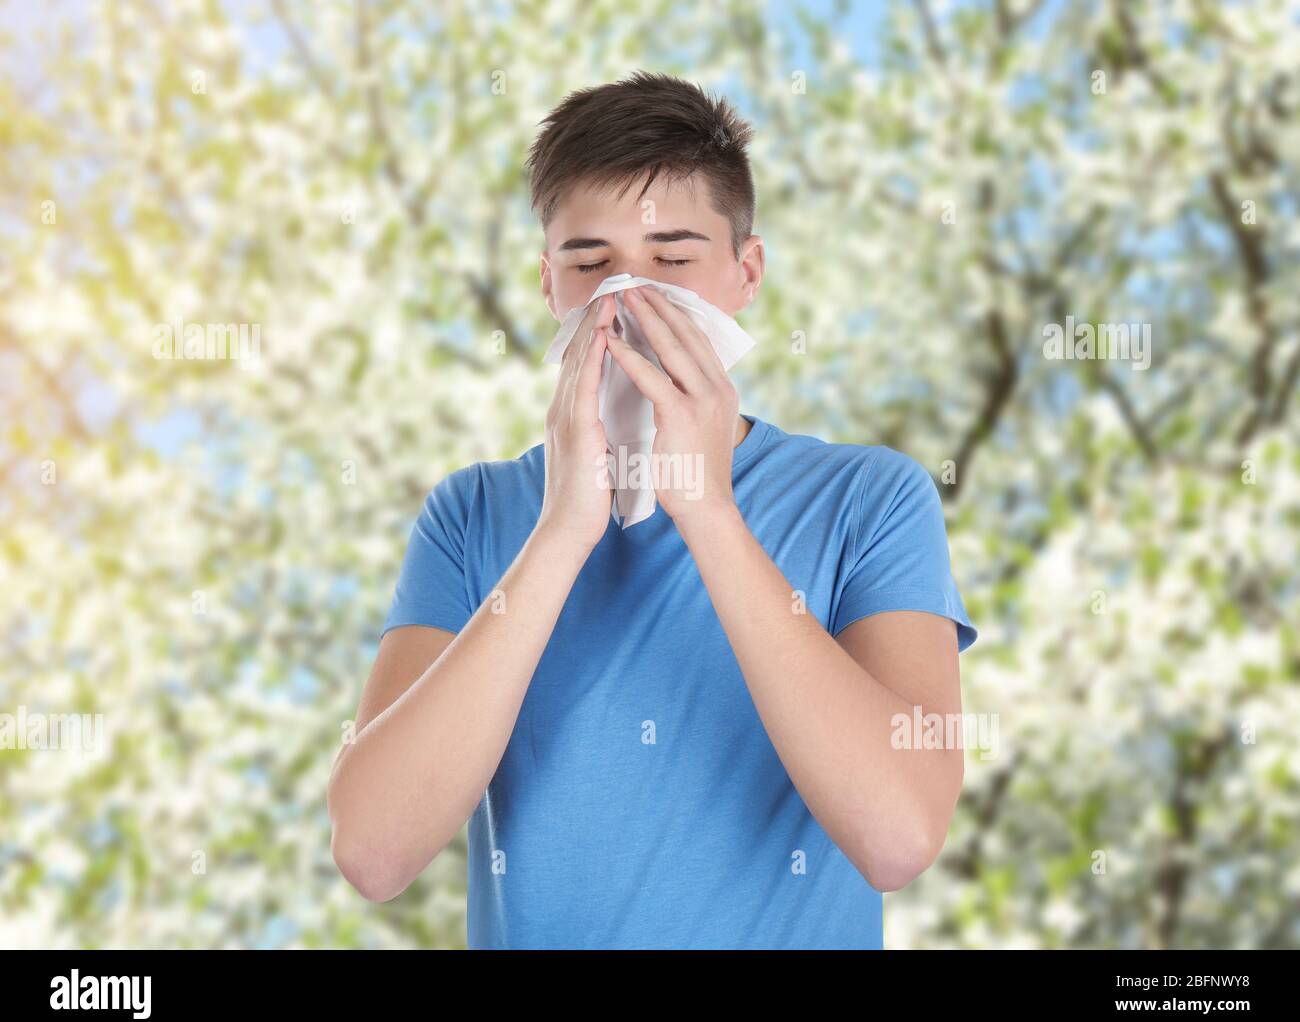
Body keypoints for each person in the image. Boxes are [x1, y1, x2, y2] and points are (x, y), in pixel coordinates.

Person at [327, 70, 978, 949]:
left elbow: (901, 837)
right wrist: (561, 532)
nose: (627, 298)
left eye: (673, 259)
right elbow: (373, 851)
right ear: (550, 286)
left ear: (746, 274)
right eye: (590, 263)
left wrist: (706, 508)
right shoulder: (473, 514)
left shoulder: (869, 501)